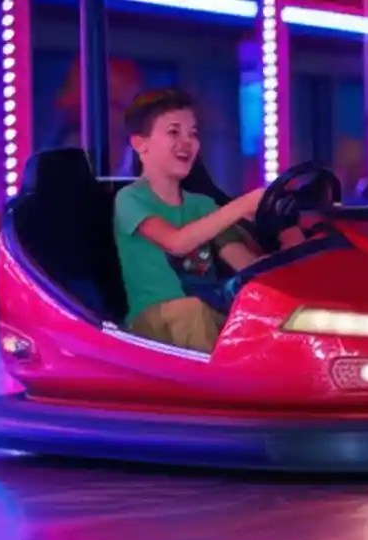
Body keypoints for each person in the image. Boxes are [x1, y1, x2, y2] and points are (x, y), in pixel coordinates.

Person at [112, 88, 266, 353]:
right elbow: (176, 243)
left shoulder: (202, 205)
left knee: (256, 319)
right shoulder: (130, 199)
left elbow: (244, 265)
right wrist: (243, 205)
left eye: (193, 134)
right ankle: (218, 391)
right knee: (192, 312)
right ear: (140, 144)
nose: (187, 142)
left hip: (203, 309)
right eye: (174, 132)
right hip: (151, 320)